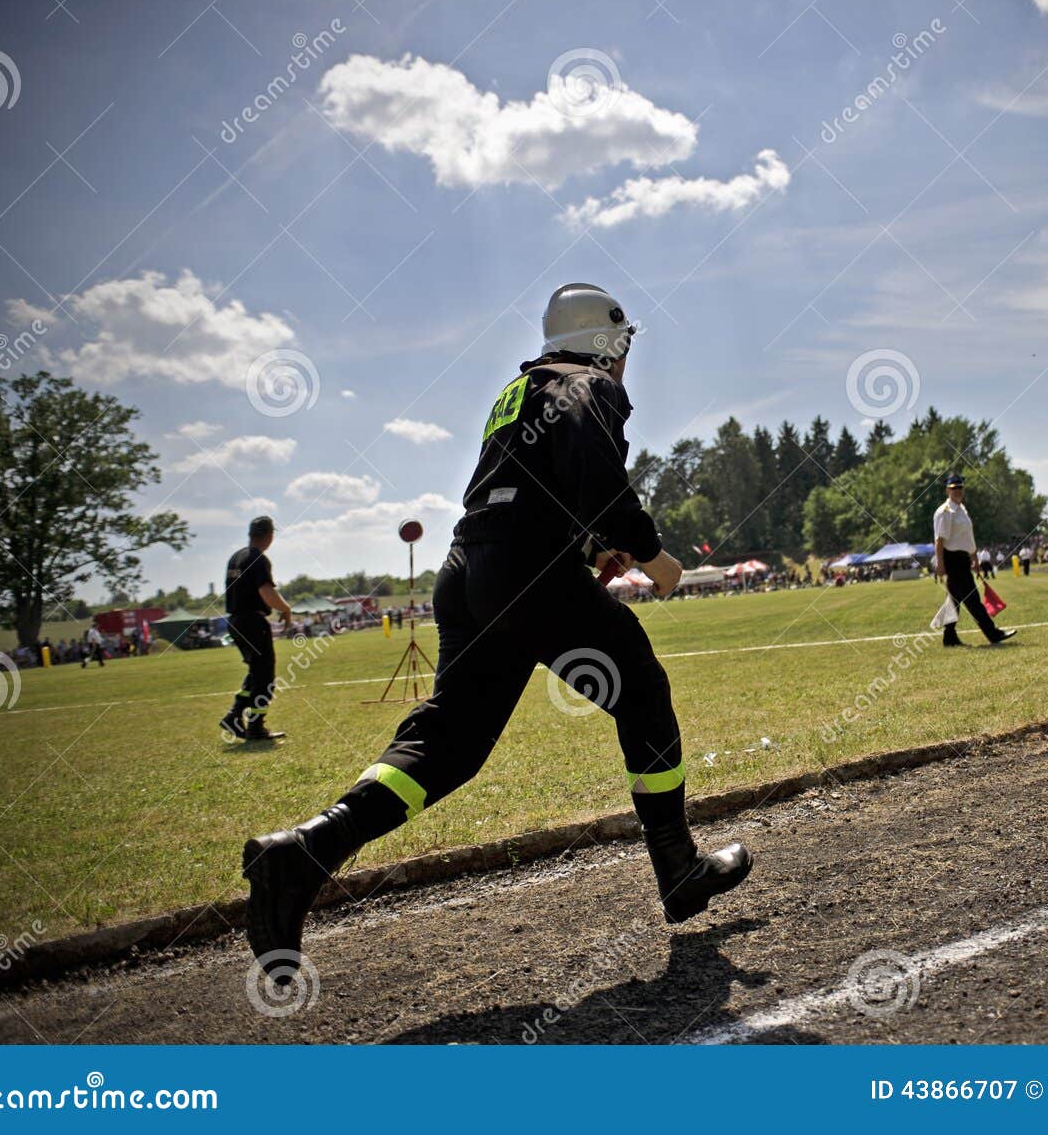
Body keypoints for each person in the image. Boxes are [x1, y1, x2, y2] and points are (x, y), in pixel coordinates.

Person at [241, 283, 751, 979]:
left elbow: (528, 490)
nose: (627, 358)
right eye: (624, 343)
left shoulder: (521, 390)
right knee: (643, 690)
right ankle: (678, 868)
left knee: (449, 742)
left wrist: (587, 545)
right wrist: (653, 556)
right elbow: (597, 478)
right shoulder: (589, 382)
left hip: (469, 570)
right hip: (526, 571)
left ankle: (304, 851)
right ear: (606, 340)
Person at [220, 516, 293, 740]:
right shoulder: (258, 559)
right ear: (270, 536)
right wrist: (286, 609)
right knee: (265, 676)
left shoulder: (236, 557)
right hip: (252, 621)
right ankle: (256, 726)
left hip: (235, 621)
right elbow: (266, 592)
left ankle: (234, 715)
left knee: (256, 671)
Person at [933, 475, 1016, 647]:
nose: (957, 491)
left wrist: (974, 559)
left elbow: (968, 539)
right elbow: (939, 541)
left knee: (954, 600)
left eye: (960, 488)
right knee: (972, 599)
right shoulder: (945, 512)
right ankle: (992, 633)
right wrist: (940, 564)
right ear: (947, 490)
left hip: (963, 558)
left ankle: (949, 636)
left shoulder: (962, 510)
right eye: (954, 488)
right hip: (952, 558)